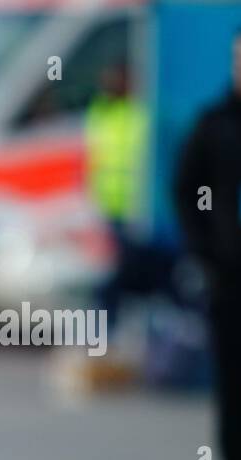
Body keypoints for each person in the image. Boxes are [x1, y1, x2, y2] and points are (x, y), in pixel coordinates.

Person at [174, 24, 241, 460]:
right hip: (234, 284)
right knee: (232, 398)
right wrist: (208, 253)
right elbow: (186, 190)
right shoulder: (214, 124)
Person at [85, 60, 154, 336]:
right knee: (116, 273)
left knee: (124, 274)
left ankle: (112, 332)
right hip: (109, 209)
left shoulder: (140, 111)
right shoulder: (100, 111)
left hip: (137, 209)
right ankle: (106, 333)